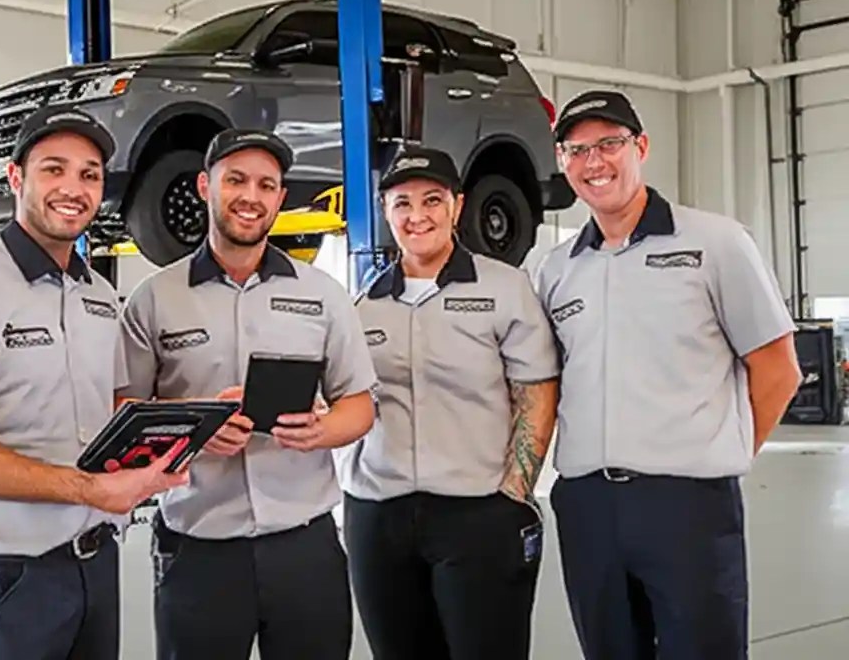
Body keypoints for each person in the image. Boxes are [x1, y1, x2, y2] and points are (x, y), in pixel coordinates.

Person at [0, 105, 189, 660]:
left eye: (89, 174)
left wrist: (194, 421)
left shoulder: (101, 299)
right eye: (53, 169)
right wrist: (86, 489)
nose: (73, 187)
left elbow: (116, 413)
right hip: (4, 580)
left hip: (94, 567)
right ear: (16, 178)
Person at [535, 89, 802, 660]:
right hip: (587, 506)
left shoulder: (714, 242)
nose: (594, 162)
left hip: (689, 504)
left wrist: (725, 450)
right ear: (562, 163)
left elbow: (778, 367)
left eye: (610, 144)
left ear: (642, 147)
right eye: (577, 150)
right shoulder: (556, 271)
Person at [118, 128, 379, 660]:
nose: (250, 196)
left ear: (280, 200)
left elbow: (360, 405)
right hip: (198, 547)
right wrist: (196, 428)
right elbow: (122, 412)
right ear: (204, 186)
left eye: (266, 185)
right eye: (235, 180)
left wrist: (321, 429)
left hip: (304, 546)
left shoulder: (321, 294)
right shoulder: (154, 298)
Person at [339, 146, 560, 659]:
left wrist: (514, 492)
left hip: (478, 512)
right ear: (385, 211)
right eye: (402, 204)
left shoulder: (504, 288)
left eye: (432, 200)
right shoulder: (364, 304)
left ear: (457, 207)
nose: (417, 216)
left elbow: (537, 389)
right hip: (379, 515)